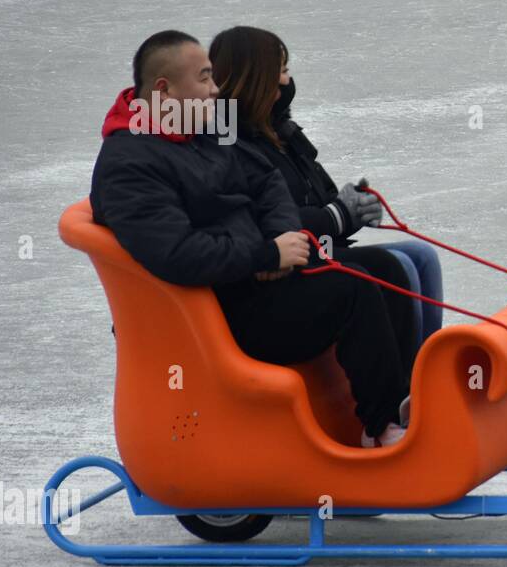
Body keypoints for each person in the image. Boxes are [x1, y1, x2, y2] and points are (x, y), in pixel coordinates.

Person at [89, 30, 410, 447]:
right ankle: (382, 429)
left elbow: (265, 179)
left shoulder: (206, 125)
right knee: (355, 290)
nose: (216, 90)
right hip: (219, 315)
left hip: (256, 281)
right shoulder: (129, 165)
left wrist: (281, 239)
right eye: (205, 79)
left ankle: (401, 404)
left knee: (384, 269)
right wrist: (264, 255)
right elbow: (177, 254)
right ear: (165, 90)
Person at [208, 26, 444, 363]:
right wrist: (337, 216)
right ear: (260, 79)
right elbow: (265, 222)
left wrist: (352, 210)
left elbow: (322, 199)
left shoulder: (278, 133)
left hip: (319, 250)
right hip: (283, 270)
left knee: (422, 256)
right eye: (283, 72)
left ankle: (427, 372)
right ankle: (405, 389)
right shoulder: (231, 146)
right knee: (398, 266)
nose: (287, 83)